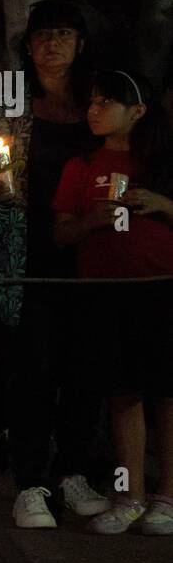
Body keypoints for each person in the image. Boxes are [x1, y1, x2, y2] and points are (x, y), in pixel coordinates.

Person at [0, 0, 110, 528]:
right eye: (43, 35)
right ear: (27, 46)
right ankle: (31, 482)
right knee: (30, 366)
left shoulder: (99, 107)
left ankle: (73, 471)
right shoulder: (9, 107)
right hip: (25, 258)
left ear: (80, 44)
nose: (53, 44)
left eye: (64, 34)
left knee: (86, 365)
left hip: (92, 257)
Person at [52, 69, 173, 535]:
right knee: (122, 395)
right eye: (92, 102)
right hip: (104, 293)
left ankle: (167, 496)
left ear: (138, 111)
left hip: (160, 289)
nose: (94, 110)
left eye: (106, 102)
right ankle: (130, 496)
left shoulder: (163, 161)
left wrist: (162, 203)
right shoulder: (81, 164)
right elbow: (60, 233)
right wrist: (88, 223)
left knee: (166, 394)